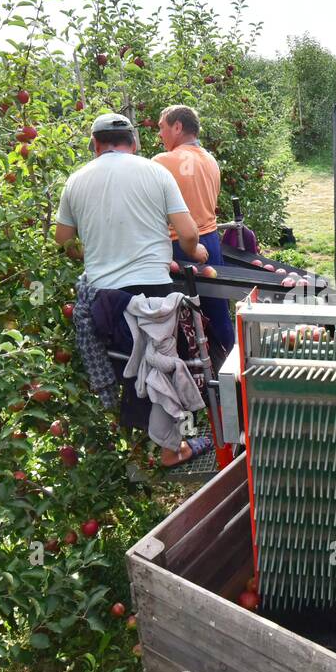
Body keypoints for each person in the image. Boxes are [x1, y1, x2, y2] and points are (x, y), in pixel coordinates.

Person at [55, 113, 209, 467]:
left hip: (105, 300)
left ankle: (135, 445)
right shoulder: (156, 172)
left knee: (126, 367)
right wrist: (193, 251)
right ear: (135, 142)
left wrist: (87, 252)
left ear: (95, 145)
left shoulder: (76, 180)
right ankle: (174, 449)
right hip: (153, 295)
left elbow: (62, 240)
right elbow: (187, 234)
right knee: (165, 366)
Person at [153, 105, 234, 352]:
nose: (159, 134)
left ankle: (192, 378)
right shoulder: (210, 160)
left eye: (161, 128)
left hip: (177, 245)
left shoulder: (161, 162)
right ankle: (232, 371)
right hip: (210, 242)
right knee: (217, 312)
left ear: (177, 127)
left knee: (179, 319)